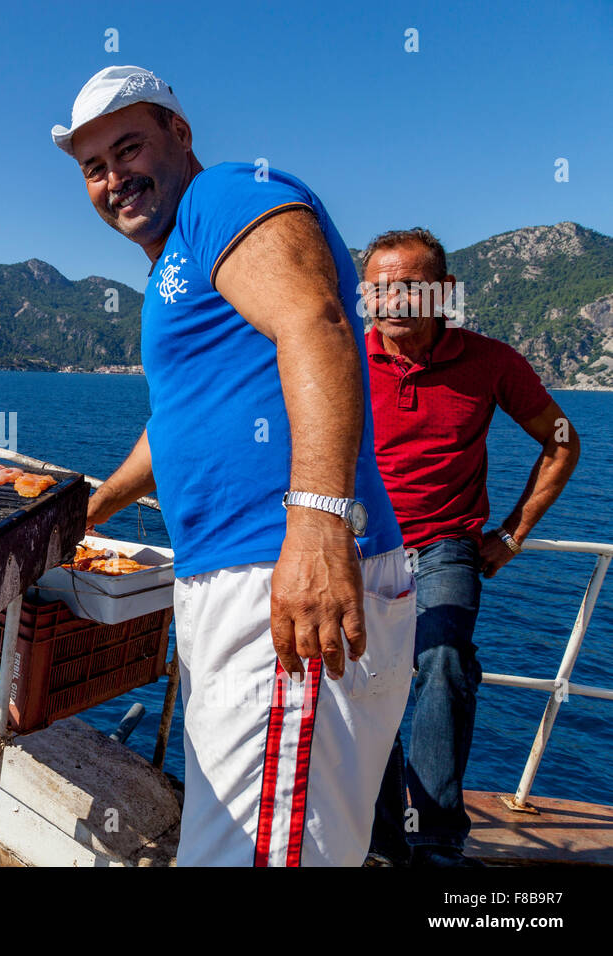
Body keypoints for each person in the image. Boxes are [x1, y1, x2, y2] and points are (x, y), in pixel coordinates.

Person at [51, 65, 416, 866]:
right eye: (93, 167)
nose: (115, 178)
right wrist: (90, 509)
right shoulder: (174, 266)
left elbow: (315, 322)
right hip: (239, 587)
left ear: (180, 137)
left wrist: (319, 527)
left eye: (129, 146)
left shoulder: (223, 197)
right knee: (238, 844)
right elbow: (179, 423)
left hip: (278, 584)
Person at [361, 227, 581, 866]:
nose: (392, 300)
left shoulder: (491, 362)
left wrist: (512, 534)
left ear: (445, 294)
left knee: (445, 658)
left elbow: (562, 440)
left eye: (409, 286)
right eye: (379, 287)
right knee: (363, 680)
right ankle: (380, 840)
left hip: (446, 544)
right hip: (358, 544)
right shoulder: (342, 355)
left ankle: (433, 839)